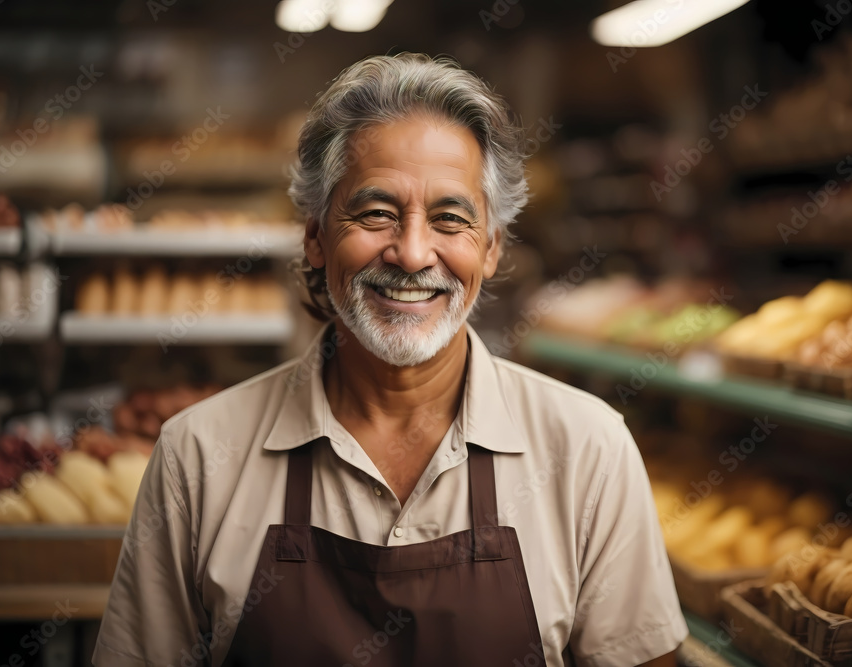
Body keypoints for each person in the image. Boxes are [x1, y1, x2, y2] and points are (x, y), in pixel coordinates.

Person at [93, 52, 687, 667]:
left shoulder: (589, 452)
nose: (410, 253)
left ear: (490, 248)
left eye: (449, 218)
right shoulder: (197, 458)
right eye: (375, 213)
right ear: (316, 238)